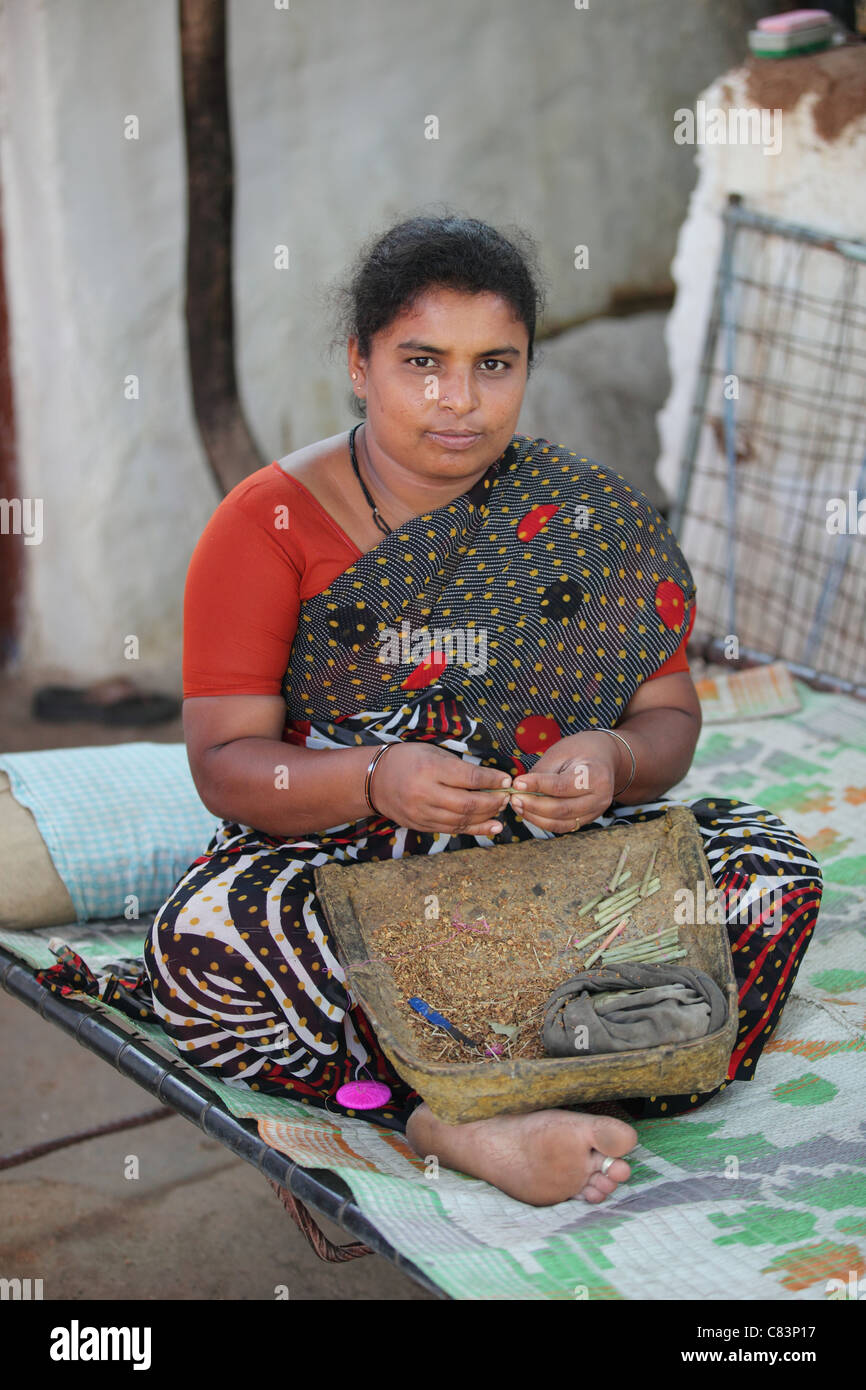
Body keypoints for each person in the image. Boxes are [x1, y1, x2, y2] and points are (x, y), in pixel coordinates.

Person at [143, 214, 823, 1209]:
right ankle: (453, 1118)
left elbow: (667, 720)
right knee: (200, 950)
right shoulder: (266, 524)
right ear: (358, 364)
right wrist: (377, 780)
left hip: (548, 881)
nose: (458, 401)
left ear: (525, 368)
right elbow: (228, 766)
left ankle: (518, 1069)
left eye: (493, 364)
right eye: (421, 362)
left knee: (765, 879)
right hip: (347, 872)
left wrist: (608, 760)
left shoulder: (582, 517)